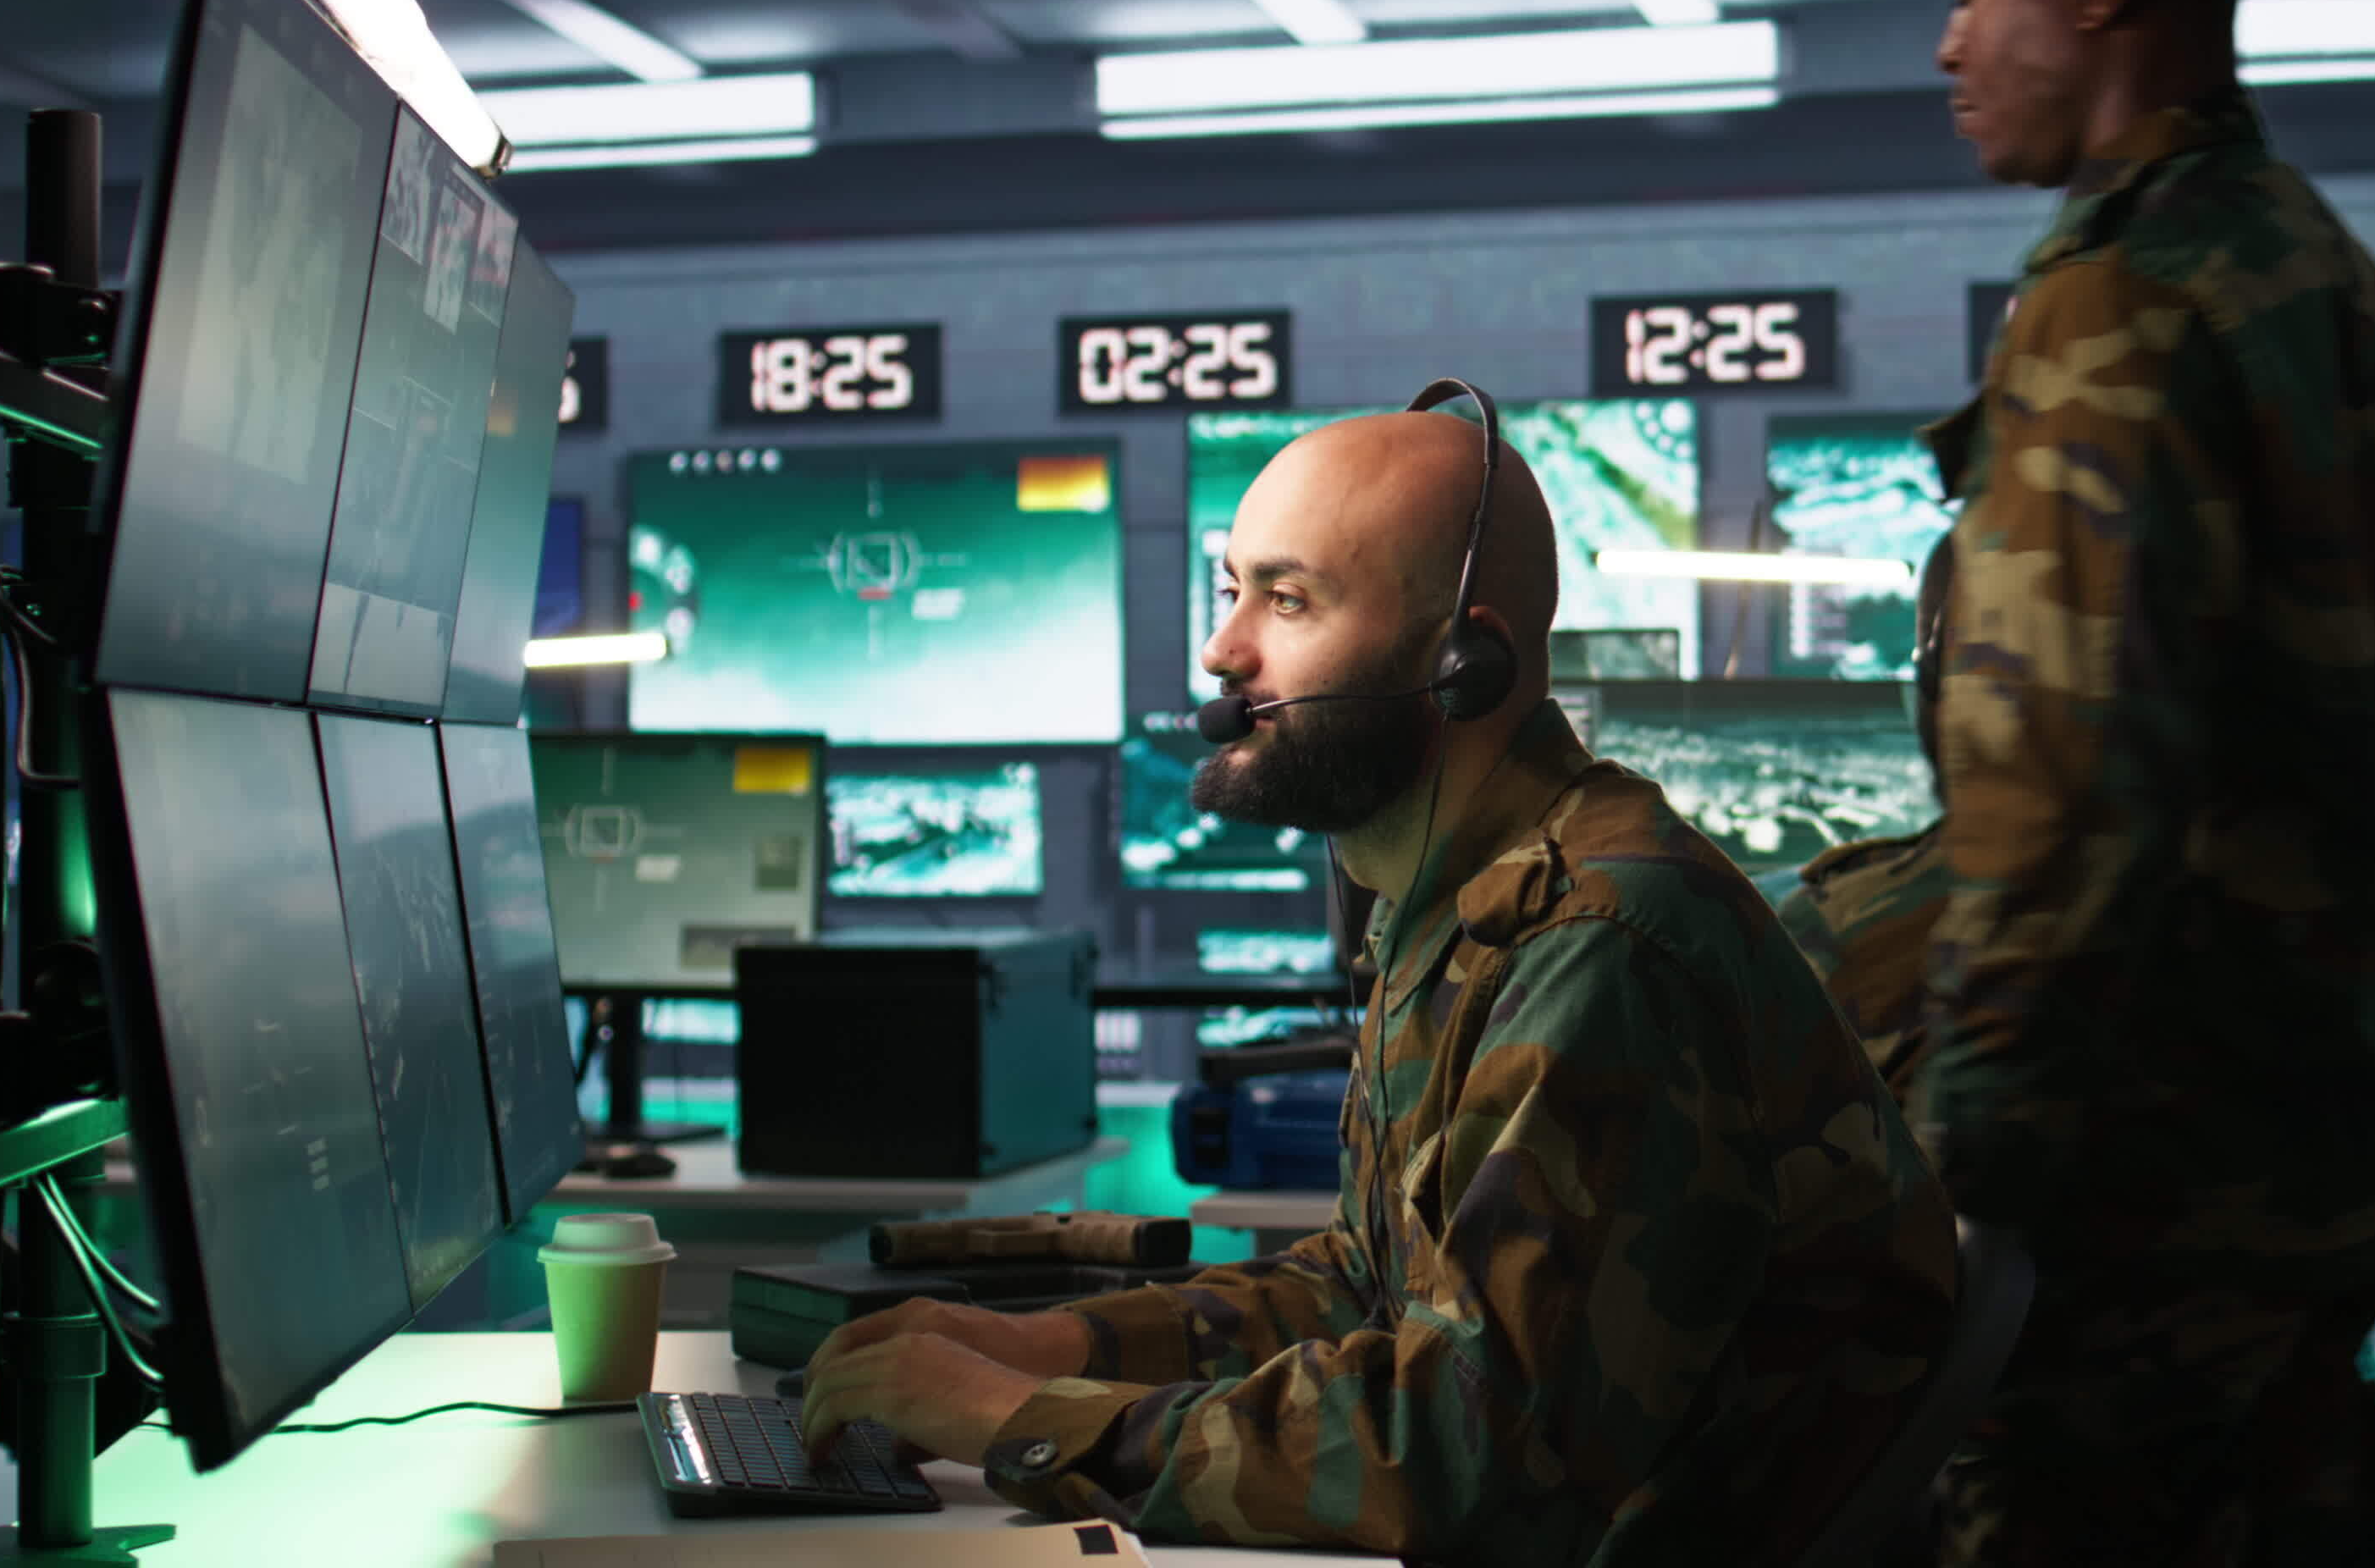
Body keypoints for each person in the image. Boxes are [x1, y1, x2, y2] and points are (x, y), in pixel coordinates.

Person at [798, 391, 1958, 1565]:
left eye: (1288, 600)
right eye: (1230, 590)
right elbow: (1363, 1295)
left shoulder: (1600, 949)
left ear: (1462, 663)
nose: (1223, 649)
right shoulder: (1459, 909)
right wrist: (1043, 1348)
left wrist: (1009, 1423)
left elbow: (1468, 1456)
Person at [1796, 0, 2375, 1567]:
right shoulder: (2323, 276)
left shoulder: (2120, 298)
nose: (1950, 44)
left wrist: (1957, 1189)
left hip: (2153, 1168)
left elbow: (2061, 794)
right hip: (2338, 1129)